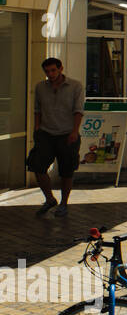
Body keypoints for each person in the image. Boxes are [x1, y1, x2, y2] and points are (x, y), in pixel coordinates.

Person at [28, 57, 85, 217]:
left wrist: (74, 131)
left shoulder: (75, 86)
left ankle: (64, 203)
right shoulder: (40, 87)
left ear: (60, 68)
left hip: (67, 134)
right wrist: (37, 127)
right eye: (47, 71)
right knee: (37, 166)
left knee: (66, 170)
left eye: (53, 70)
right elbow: (37, 109)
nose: (50, 74)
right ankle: (49, 199)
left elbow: (78, 110)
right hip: (46, 133)